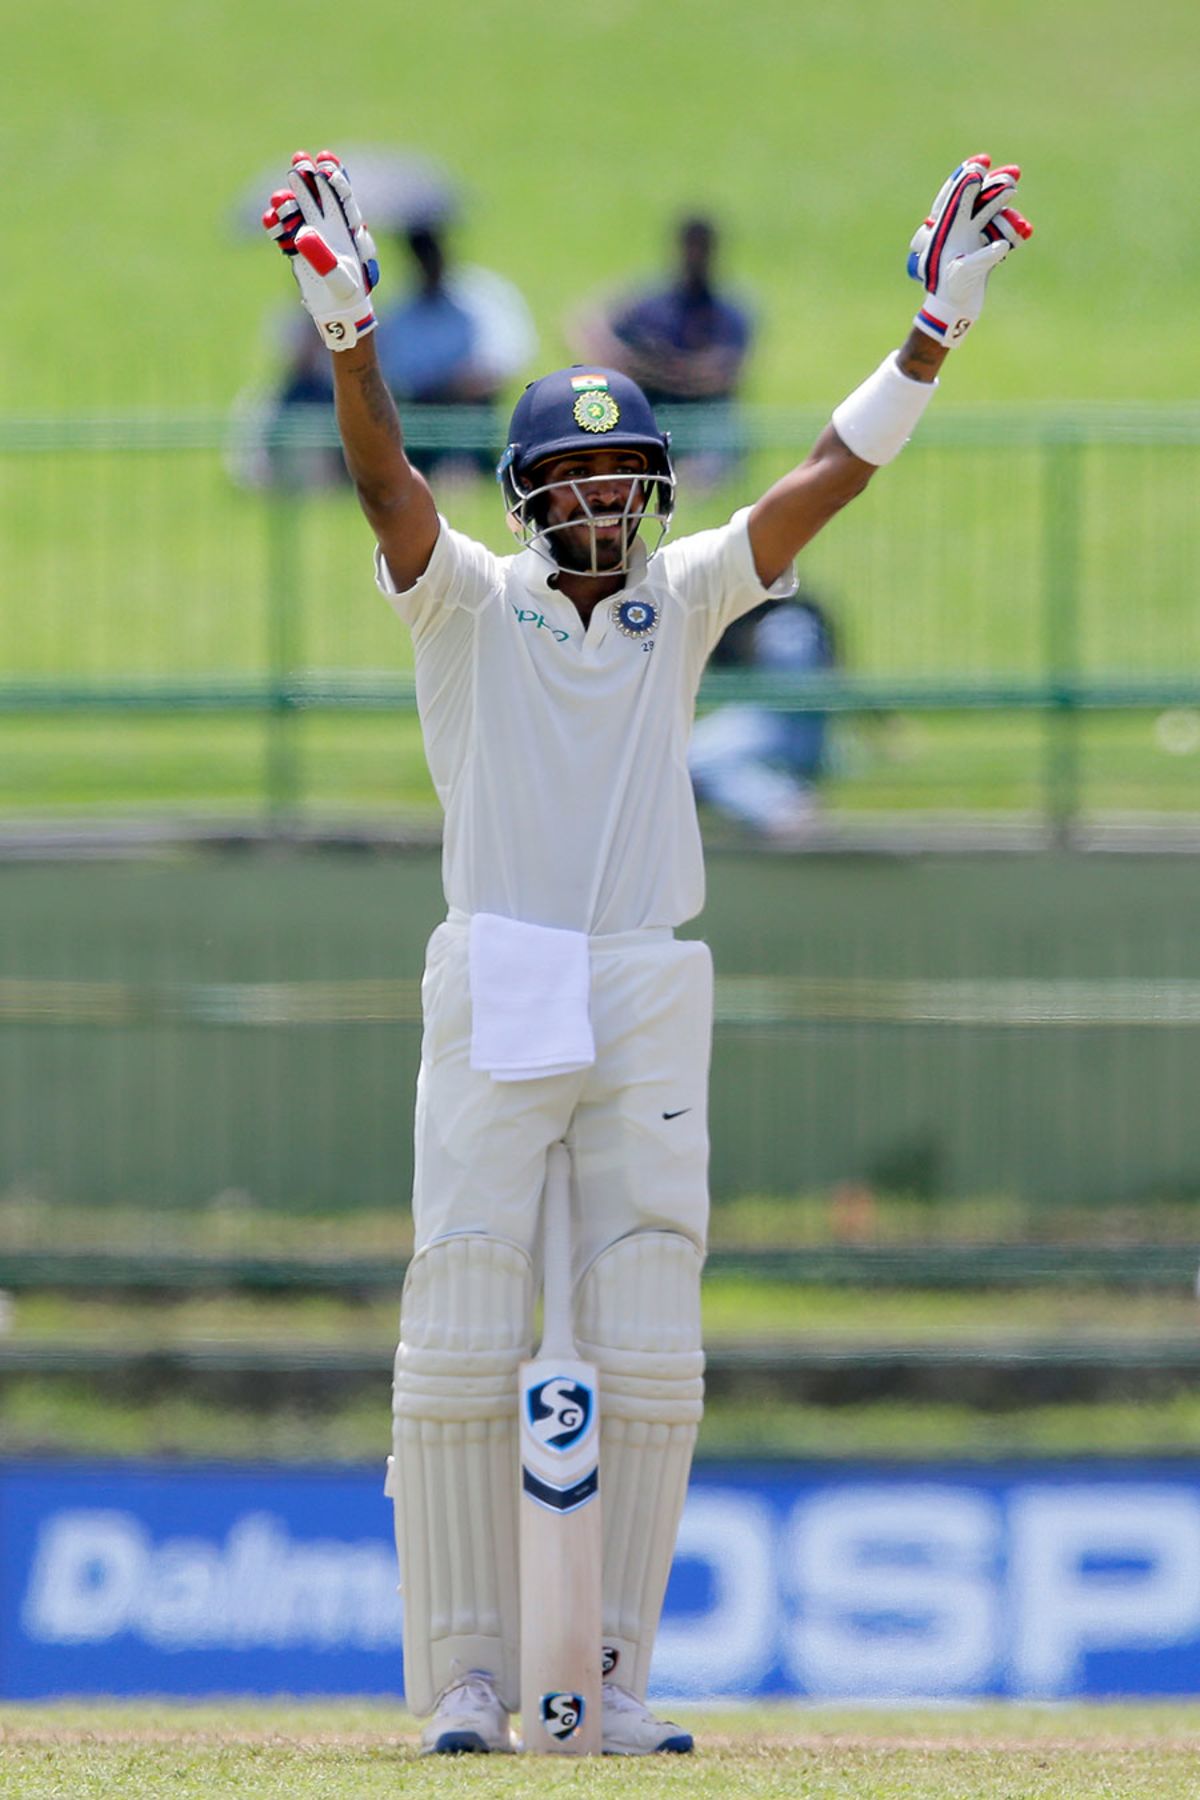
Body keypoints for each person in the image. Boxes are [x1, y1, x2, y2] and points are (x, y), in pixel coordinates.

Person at [262, 148, 1031, 1754]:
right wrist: (348, 336)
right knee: (467, 1318)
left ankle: (607, 1677)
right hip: (499, 970)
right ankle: (468, 1682)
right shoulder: (467, 602)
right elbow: (391, 488)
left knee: (650, 1336)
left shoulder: (681, 601)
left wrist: (933, 337)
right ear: (536, 495)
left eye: (626, 483)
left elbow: (826, 473)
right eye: (580, 485)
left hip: (643, 975)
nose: (607, 504)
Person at [268, 216, 536, 483]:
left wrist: (454, 385)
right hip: (417, 406)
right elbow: (392, 366)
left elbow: (504, 358)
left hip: (469, 406)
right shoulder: (403, 309)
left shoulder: (481, 297)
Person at [569, 214, 753, 483]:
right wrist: (629, 361)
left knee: (699, 476)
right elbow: (583, 325)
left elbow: (721, 374)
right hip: (650, 409)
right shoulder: (649, 302)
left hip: (705, 417)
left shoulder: (729, 309)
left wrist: (656, 367)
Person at [689, 591, 838, 842]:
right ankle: (782, 801)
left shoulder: (791, 623)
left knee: (692, 760)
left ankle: (780, 805)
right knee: (685, 759)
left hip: (784, 725)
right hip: (765, 720)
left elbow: (798, 700)